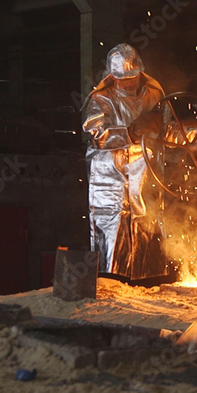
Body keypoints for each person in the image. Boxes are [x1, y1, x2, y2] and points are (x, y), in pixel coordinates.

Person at [82, 44, 166, 279]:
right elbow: (98, 134)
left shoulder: (154, 94)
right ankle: (110, 283)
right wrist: (130, 132)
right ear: (111, 76)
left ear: (140, 71)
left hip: (145, 174)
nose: (127, 83)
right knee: (112, 229)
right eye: (121, 79)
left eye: (131, 77)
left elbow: (169, 130)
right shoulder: (101, 100)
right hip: (111, 178)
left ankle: (148, 282)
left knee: (147, 226)